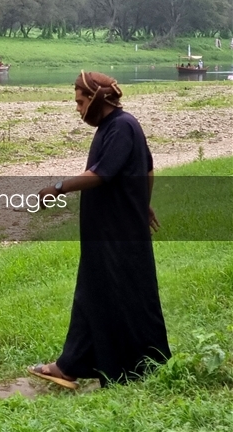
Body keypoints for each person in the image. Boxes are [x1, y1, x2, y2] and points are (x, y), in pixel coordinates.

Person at [30, 71, 170, 389]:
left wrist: (58, 186)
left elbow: (100, 175)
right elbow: (147, 168)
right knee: (96, 295)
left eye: (80, 102)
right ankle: (70, 366)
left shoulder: (120, 127)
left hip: (113, 231)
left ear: (95, 99)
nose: (78, 109)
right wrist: (141, 204)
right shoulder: (117, 126)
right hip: (113, 227)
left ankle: (133, 368)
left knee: (119, 296)